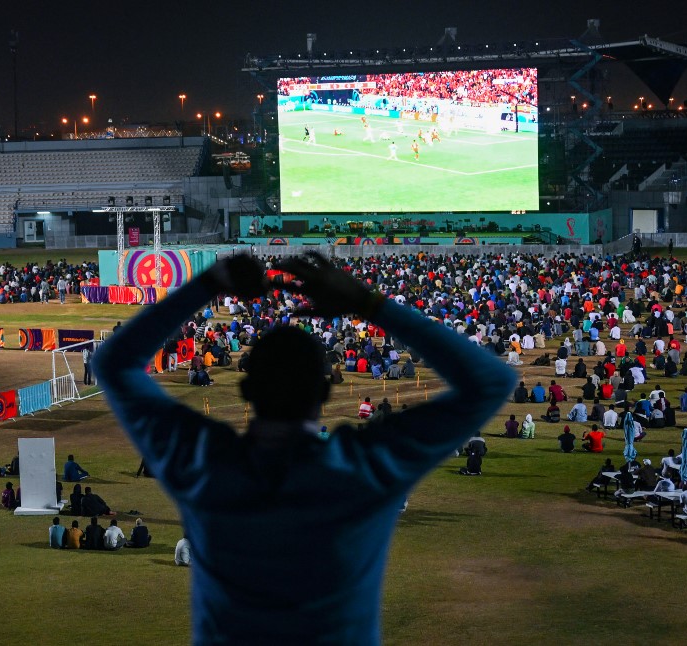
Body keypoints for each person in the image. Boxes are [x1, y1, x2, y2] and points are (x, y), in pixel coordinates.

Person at [93, 252, 515, 643]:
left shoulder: (205, 462)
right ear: (327, 390)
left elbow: (113, 362)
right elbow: (490, 381)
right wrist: (368, 303)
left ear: (245, 389)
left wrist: (209, 284)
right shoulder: (363, 467)